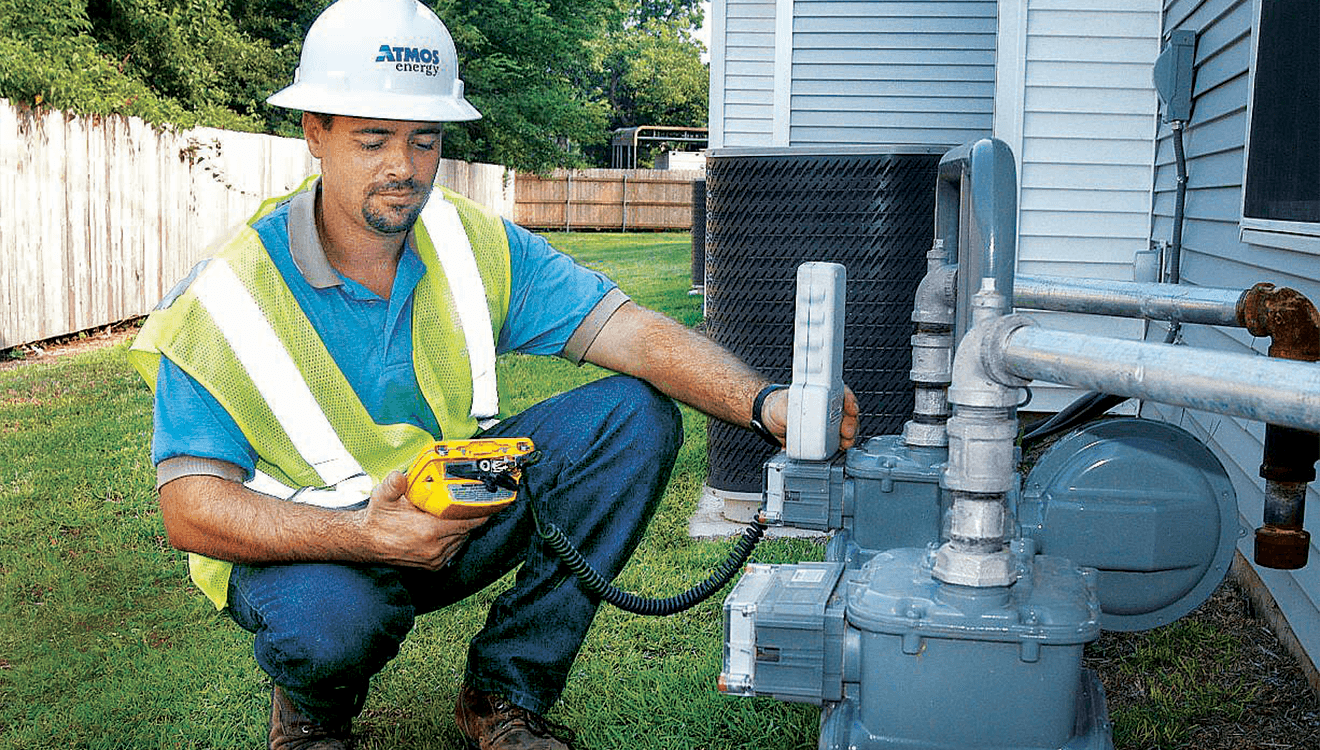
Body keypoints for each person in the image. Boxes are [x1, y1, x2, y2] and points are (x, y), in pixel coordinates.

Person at [128, 1, 857, 748]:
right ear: (315, 132)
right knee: (331, 626)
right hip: (316, 551)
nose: (402, 168)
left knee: (635, 417)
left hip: (449, 508)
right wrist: (366, 535)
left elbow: (626, 330)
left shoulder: (464, 239)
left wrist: (763, 401)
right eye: (373, 138)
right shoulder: (228, 295)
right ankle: (312, 710)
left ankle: (502, 695)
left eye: (424, 139)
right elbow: (190, 508)